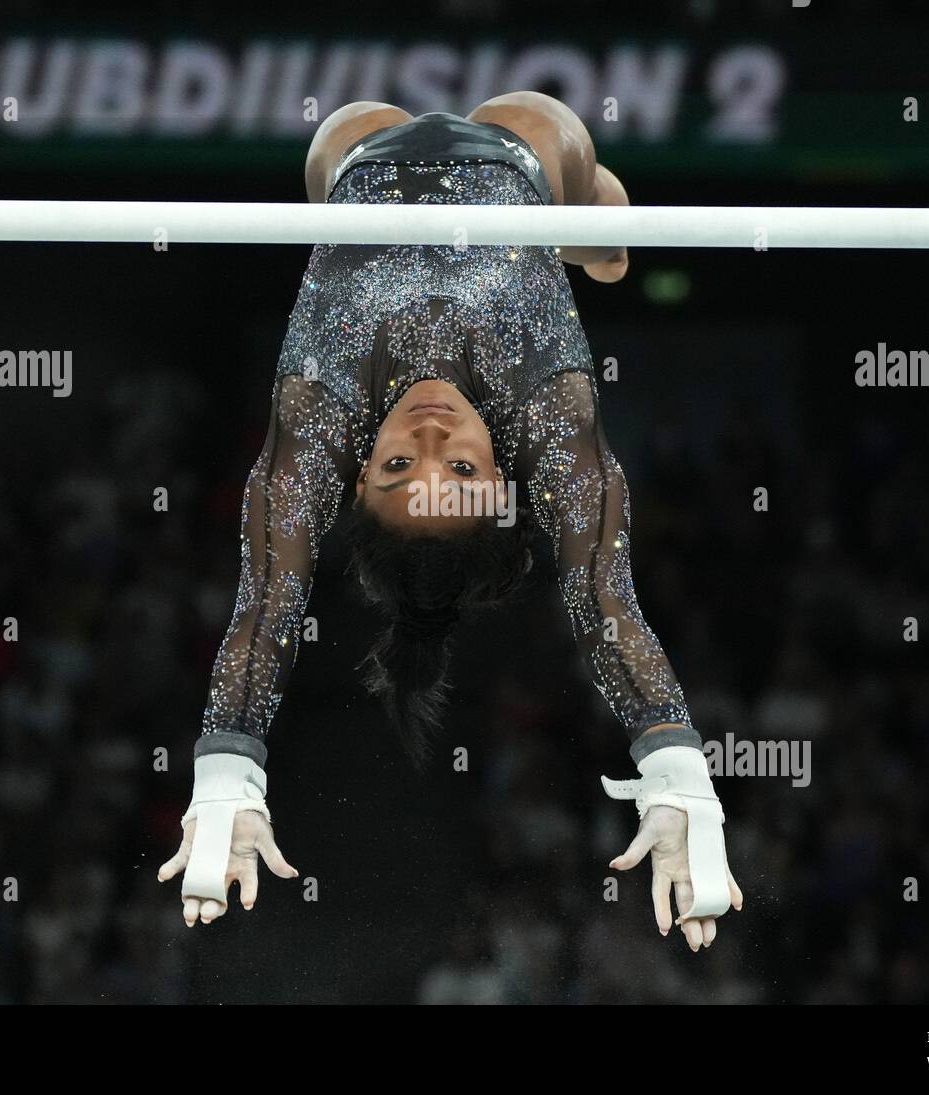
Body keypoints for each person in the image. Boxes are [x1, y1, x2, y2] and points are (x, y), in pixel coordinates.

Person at [158, 92, 743, 953]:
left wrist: (227, 770)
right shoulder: (547, 409)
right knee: (563, 173)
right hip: (518, 155)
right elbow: (602, 598)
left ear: (355, 478)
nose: (429, 435)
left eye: (397, 467)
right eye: (461, 469)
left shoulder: (320, 412)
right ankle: (600, 237)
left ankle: (595, 235)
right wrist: (678, 773)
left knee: (357, 125)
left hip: (358, 160)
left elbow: (264, 604)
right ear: (504, 472)